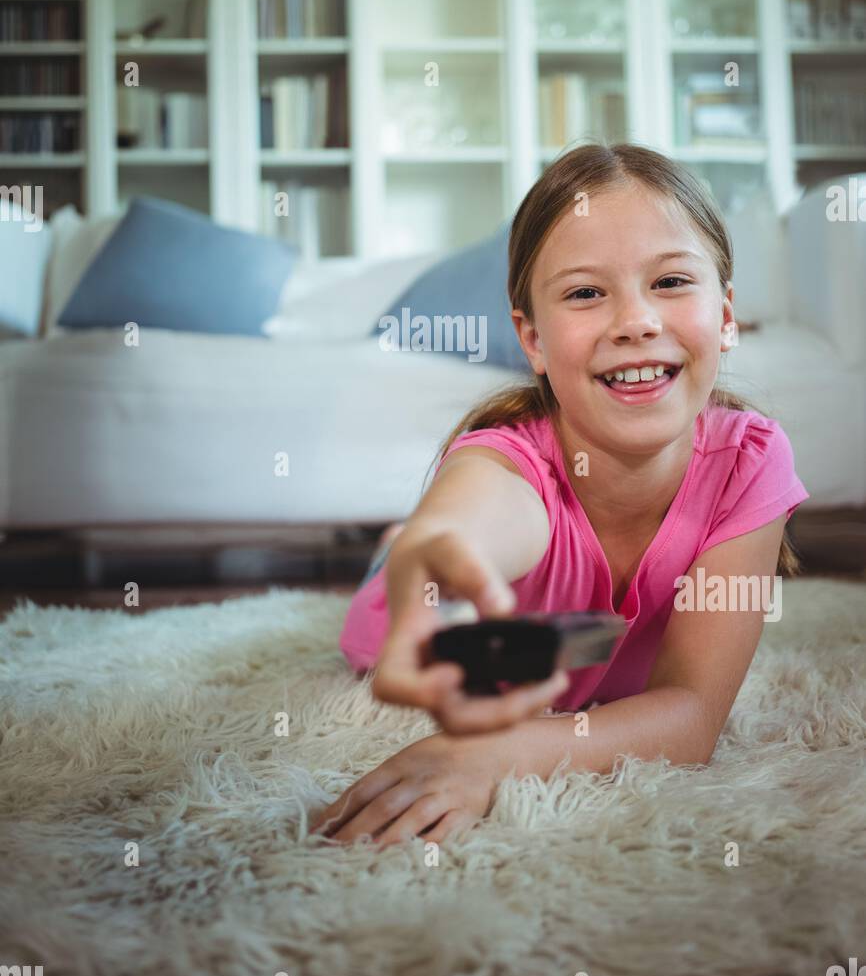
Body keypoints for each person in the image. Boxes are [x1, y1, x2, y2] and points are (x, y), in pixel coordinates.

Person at [310, 142, 810, 846]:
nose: (635, 321)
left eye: (670, 282)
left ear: (726, 316)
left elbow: (692, 716)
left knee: (591, 637)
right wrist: (433, 551)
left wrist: (491, 755)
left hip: (580, 639)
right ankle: (392, 549)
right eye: (585, 292)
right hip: (436, 614)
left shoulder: (750, 459)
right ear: (533, 340)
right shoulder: (511, 467)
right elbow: (476, 521)